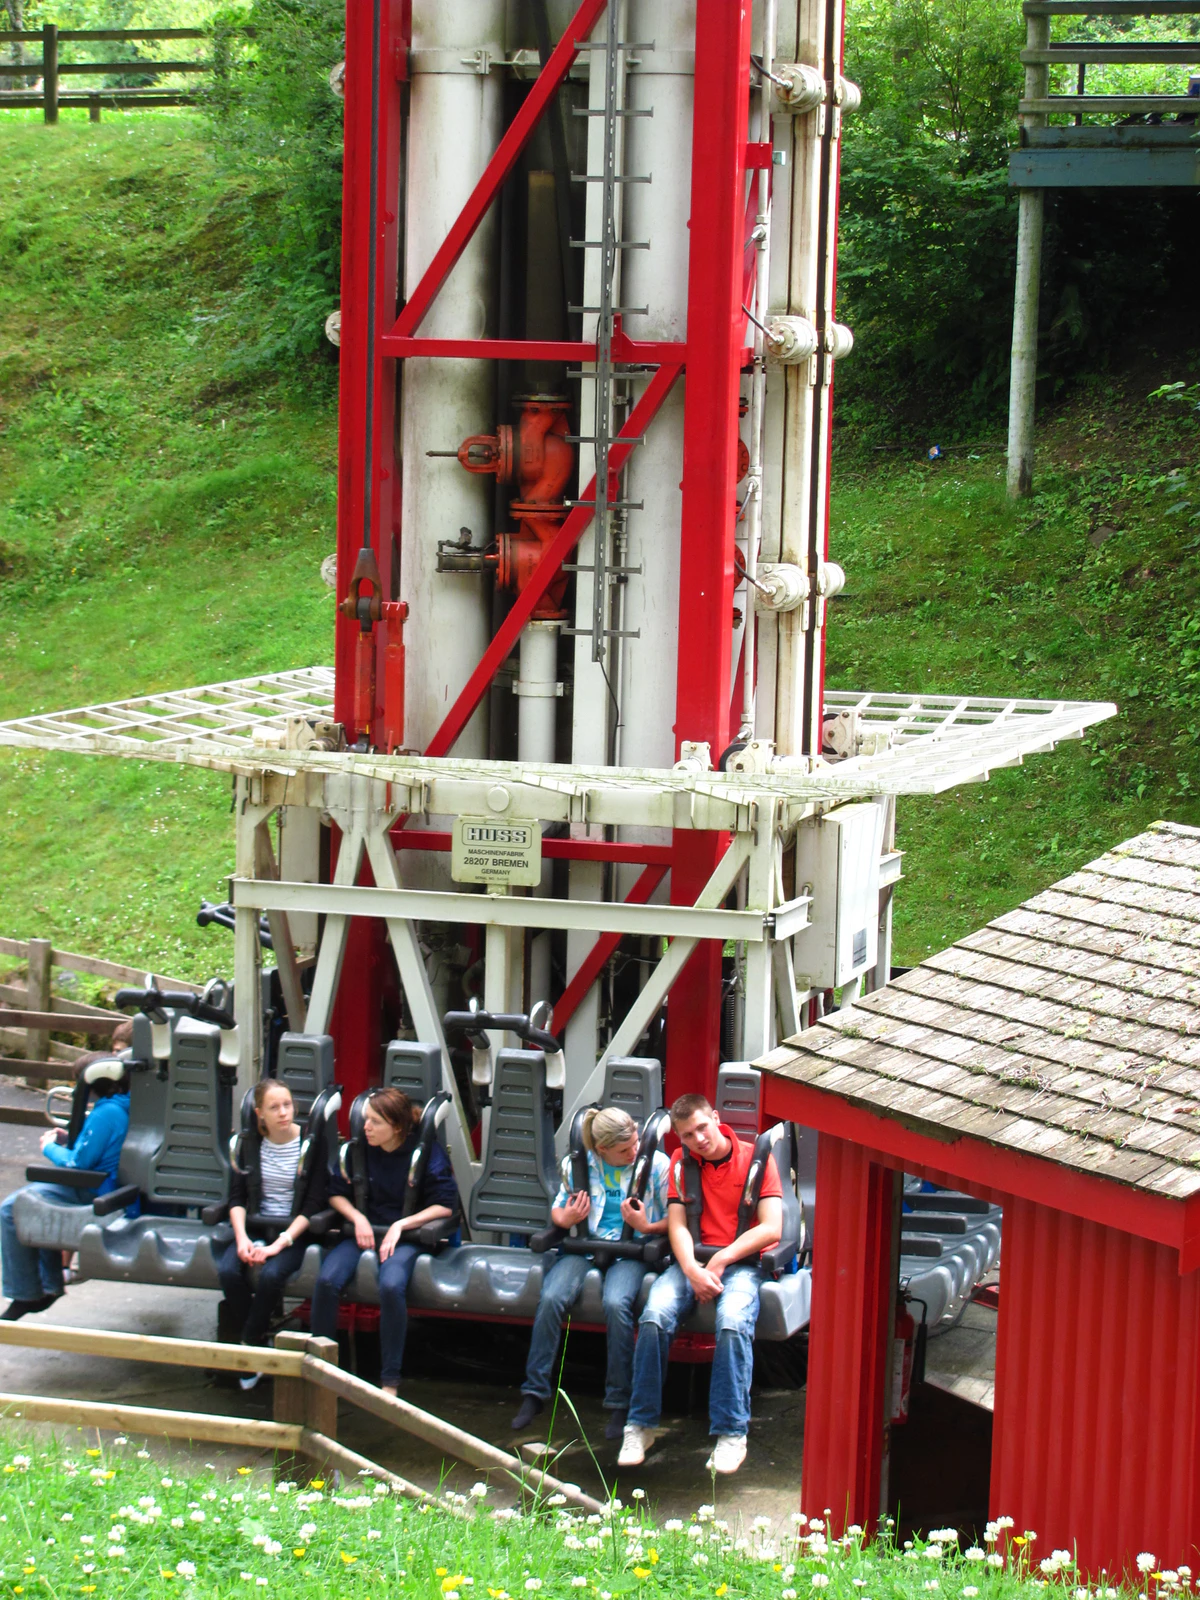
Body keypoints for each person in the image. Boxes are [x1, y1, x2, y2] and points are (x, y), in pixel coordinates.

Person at [617, 1092, 783, 1477]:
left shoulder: (756, 1160)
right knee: (654, 1314)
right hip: (693, 1261)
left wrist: (721, 1259)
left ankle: (731, 1432)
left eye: (702, 1128)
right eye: (688, 1135)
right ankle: (639, 1424)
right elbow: (677, 1223)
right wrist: (692, 1269)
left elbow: (772, 1227)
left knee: (732, 1321)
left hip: (740, 1261)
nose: (698, 1140)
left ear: (716, 1119)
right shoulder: (681, 1162)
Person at [511, 1105, 670, 1439]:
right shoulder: (578, 1166)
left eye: (636, 1142)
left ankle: (618, 1401)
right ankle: (534, 1391)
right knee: (552, 1297)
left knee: (616, 1303)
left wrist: (647, 1225)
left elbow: (676, 1218)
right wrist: (565, 1219)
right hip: (588, 1244)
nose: (634, 1151)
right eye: (624, 1149)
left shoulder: (655, 1166)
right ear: (602, 1150)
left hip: (633, 1249)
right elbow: (559, 1209)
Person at [310, 1086, 459, 1395]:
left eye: (375, 1122)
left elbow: (445, 1205)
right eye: (366, 1120)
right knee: (326, 1281)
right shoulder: (359, 1149)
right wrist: (357, 1217)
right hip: (366, 1230)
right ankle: (320, 1369)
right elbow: (336, 1194)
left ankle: (389, 1379)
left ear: (397, 1127)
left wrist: (402, 1225)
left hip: (407, 1236)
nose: (366, 1127)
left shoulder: (425, 1152)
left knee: (391, 1286)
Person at [1, 1030, 134, 1321]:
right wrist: (67, 1137)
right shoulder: (121, 1106)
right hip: (100, 1182)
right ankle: (47, 1285)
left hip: (94, 1187)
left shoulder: (106, 1113)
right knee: (37, 1197)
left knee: (11, 1210)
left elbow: (77, 1164)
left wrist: (49, 1147)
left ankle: (26, 1292)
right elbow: (93, 1145)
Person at [217, 1078, 327, 1391]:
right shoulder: (248, 1144)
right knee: (228, 1271)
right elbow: (236, 1198)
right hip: (256, 1225)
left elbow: (315, 1202)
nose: (283, 1112)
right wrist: (242, 1239)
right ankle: (259, 1335)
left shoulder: (311, 1142)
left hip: (294, 1230)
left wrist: (281, 1242)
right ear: (259, 1113)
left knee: (271, 1275)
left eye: (287, 1105)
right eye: (274, 1107)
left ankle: (251, 1342)